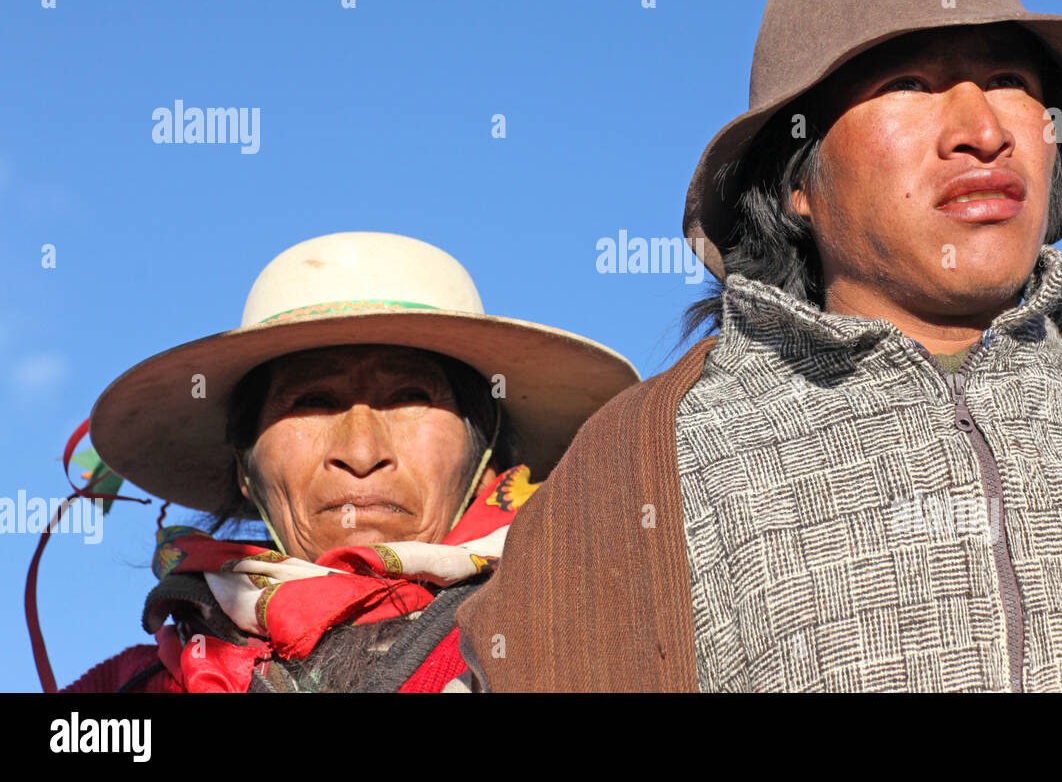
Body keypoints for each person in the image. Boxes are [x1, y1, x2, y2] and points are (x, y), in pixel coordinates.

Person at [457, 0, 1062, 692]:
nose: (982, 128)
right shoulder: (640, 468)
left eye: (1009, 79)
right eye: (907, 84)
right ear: (796, 182)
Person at [61, 231, 638, 692]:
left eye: (411, 397)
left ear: (484, 458)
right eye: (312, 402)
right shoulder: (128, 692)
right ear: (245, 468)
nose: (361, 453)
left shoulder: (599, 643)